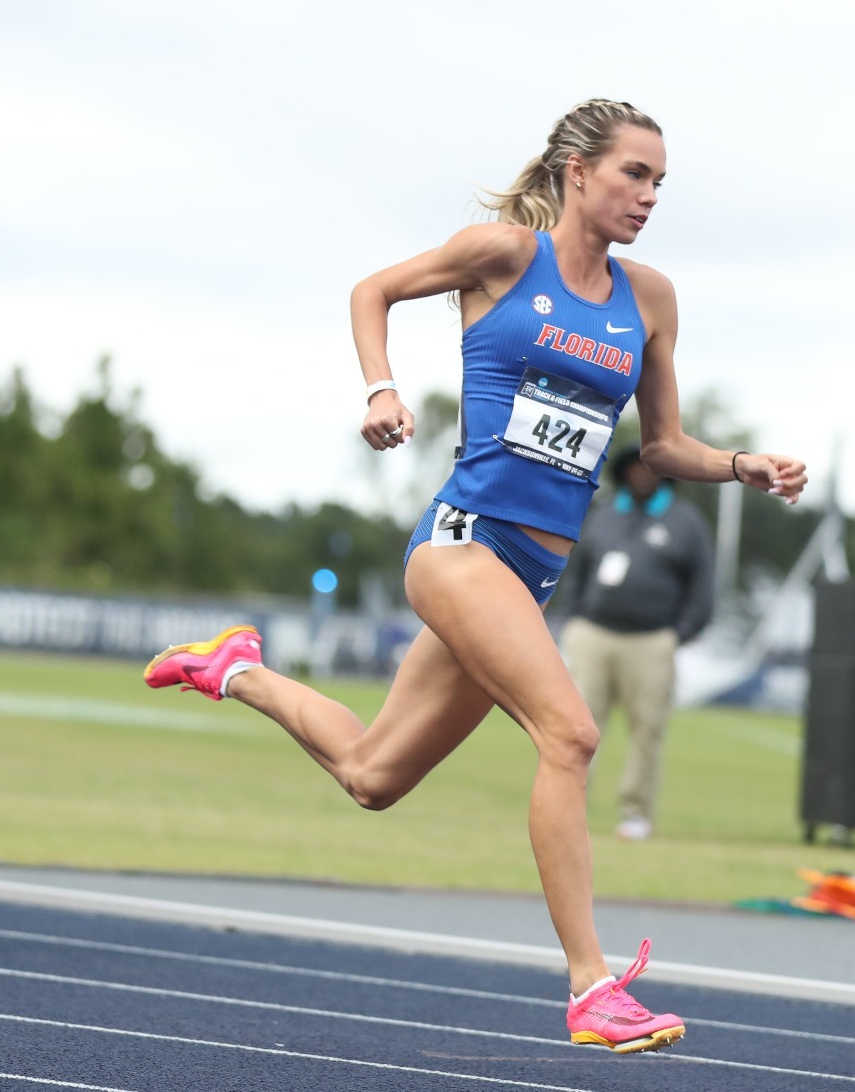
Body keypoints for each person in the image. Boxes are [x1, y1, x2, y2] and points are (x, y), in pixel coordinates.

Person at [142, 100, 806, 1054]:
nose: (650, 196)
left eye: (661, 182)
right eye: (634, 174)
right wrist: (380, 386)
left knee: (374, 774)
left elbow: (661, 444)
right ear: (577, 172)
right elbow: (371, 290)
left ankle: (233, 666)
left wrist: (744, 464)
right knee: (570, 734)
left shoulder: (649, 298)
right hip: (462, 544)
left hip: (530, 576)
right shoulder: (502, 255)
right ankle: (590, 986)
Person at [555, 452, 714, 842]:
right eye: (635, 467)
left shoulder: (685, 521)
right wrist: (573, 616)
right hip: (593, 633)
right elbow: (577, 567)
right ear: (624, 472)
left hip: (651, 639)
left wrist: (683, 631)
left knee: (647, 729)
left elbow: (703, 583)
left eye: (650, 467)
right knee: (577, 726)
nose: (642, 474)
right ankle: (567, 807)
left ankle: (636, 813)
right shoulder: (604, 513)